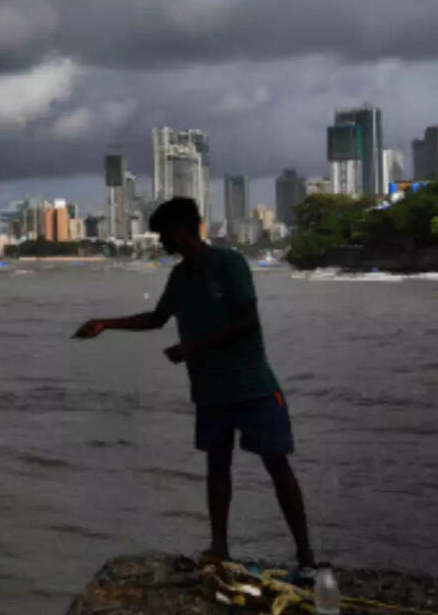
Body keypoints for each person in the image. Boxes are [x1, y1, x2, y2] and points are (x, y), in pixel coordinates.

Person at [74, 197, 315, 574]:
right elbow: (157, 318)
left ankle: (306, 558)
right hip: (210, 391)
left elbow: (248, 321)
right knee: (217, 469)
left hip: (252, 386)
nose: (160, 242)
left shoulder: (229, 263)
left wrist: (193, 346)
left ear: (181, 230)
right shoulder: (180, 276)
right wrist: (105, 324)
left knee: (277, 467)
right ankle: (219, 548)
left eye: (162, 234)